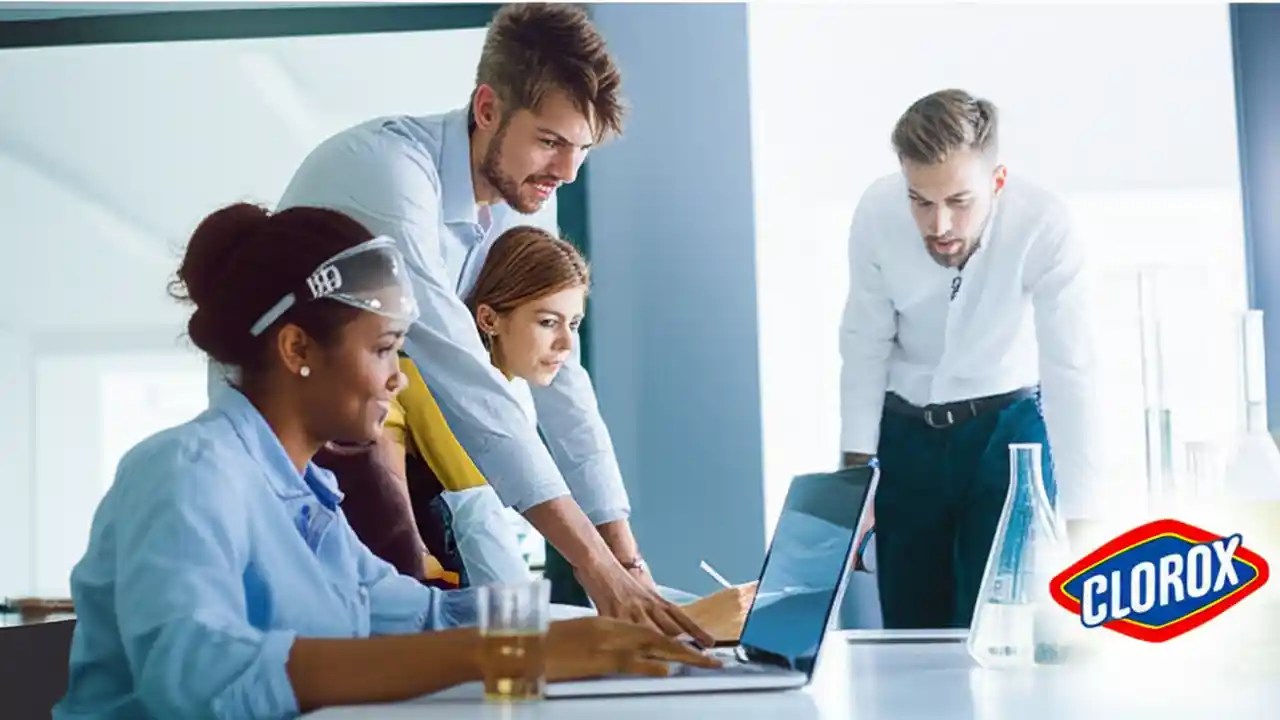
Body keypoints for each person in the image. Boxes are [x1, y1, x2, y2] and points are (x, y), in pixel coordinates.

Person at [53, 204, 717, 720]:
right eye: (382, 349)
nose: (398, 377)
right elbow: (201, 682)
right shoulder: (185, 473)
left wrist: (613, 626)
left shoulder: (306, 496)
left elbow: (429, 617)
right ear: (297, 348)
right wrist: (508, 651)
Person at [264, 1, 701, 639]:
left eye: (581, 149)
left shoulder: (514, 203)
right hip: (286, 459)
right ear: (488, 109)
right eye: (549, 142)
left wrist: (627, 562)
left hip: (364, 451)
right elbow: (466, 379)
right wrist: (595, 568)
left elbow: (563, 382)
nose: (567, 172)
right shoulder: (390, 176)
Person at [378, 225, 757, 641]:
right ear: (488, 319)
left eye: (573, 324)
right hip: (444, 634)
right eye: (547, 322)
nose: (565, 344)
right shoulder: (436, 390)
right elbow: (501, 582)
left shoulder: (509, 394)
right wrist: (693, 622)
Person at [839, 89, 1099, 629]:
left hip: (1008, 436)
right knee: (912, 630)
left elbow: (1071, 371)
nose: (939, 225)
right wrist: (854, 483)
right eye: (920, 201)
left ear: (997, 182)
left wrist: (1083, 521)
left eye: (959, 202)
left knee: (1005, 625)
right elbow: (864, 343)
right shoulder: (876, 211)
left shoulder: (1045, 222)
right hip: (905, 438)